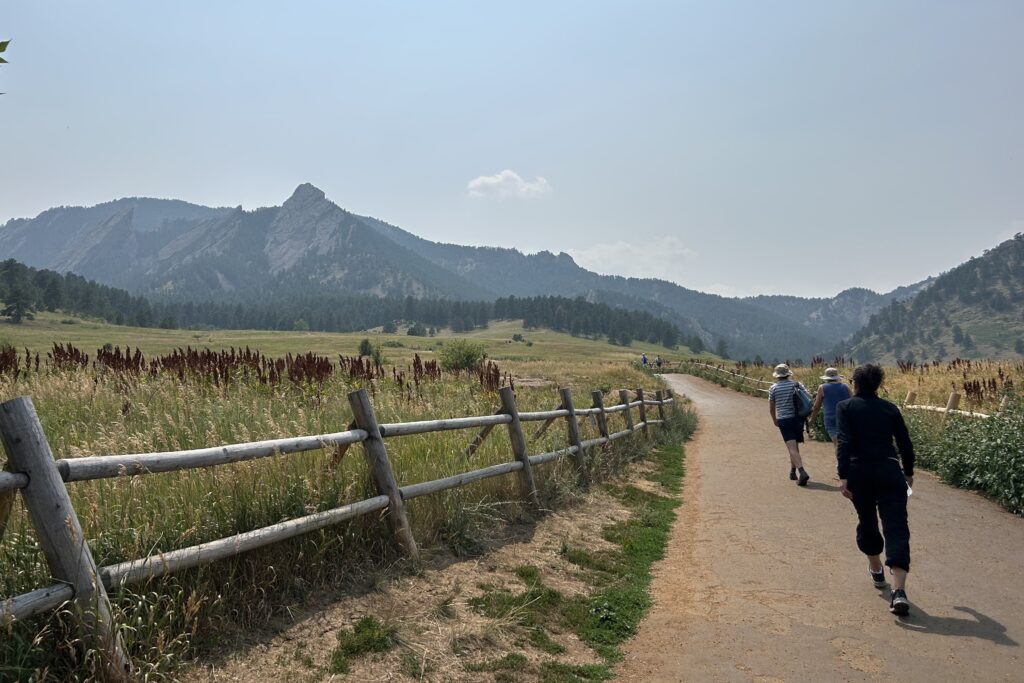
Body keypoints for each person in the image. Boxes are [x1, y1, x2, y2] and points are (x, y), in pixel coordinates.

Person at [836, 364, 915, 616]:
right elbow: (904, 442)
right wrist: (909, 472)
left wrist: (843, 476)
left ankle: (877, 569)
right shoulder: (890, 409)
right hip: (890, 471)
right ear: (878, 385)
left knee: (867, 520)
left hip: (860, 473)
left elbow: (844, 442)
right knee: (896, 526)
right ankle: (899, 590)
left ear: (855, 384)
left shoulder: (845, 407)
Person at [768, 364, 810, 486]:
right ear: (788, 374)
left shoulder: (773, 388)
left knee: (791, 447)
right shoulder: (796, 384)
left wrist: (774, 420)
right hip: (797, 419)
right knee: (795, 447)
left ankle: (802, 472)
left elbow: (771, 408)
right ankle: (792, 472)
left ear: (777, 375)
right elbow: (808, 397)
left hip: (784, 420)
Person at [808, 367, 852, 458]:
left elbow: (816, 406)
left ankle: (841, 465)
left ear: (826, 378)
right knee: (846, 443)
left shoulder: (822, 387)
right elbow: (853, 401)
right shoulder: (845, 386)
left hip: (830, 419)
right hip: (846, 418)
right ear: (837, 377)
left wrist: (812, 420)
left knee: (837, 444)